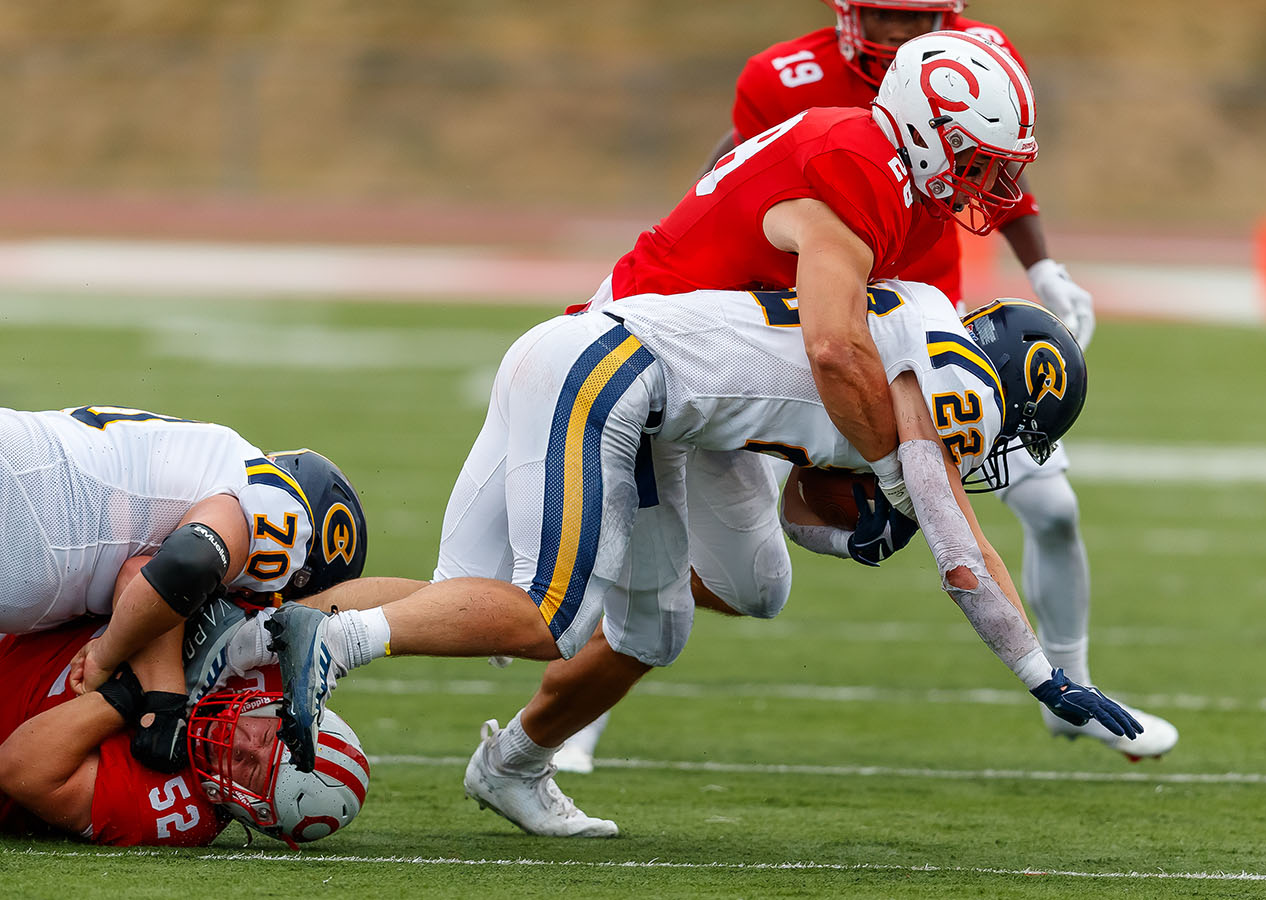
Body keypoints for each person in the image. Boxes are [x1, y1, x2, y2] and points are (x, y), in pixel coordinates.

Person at [266, 280, 1140, 838]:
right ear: (1001, 390)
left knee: (646, 627)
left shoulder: (916, 318)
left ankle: (504, 764)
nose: (991, 452)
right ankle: (332, 642)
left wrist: (852, 531)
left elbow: (784, 490)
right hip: (611, 375)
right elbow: (962, 553)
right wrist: (1040, 671)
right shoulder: (954, 382)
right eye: (1012, 431)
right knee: (548, 615)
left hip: (625, 389)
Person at [554, 0, 1177, 774]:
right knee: (752, 552)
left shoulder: (975, 64)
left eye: (916, 19)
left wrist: (1041, 263)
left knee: (1044, 503)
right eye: (882, 17)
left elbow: (1000, 166)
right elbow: (740, 168)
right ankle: (580, 713)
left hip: (931, 317)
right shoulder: (788, 77)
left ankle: (1072, 690)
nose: (898, 35)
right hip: (809, 323)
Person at [0, 405, 366, 771]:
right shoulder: (282, 512)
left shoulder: (209, 459)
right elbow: (188, 563)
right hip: (29, 520)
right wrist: (105, 656)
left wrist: (164, 696)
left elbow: (141, 573)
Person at [0, 594, 367, 848]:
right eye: (269, 737)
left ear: (252, 813)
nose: (243, 745)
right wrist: (166, 685)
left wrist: (134, 694)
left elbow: (20, 768)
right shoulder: (269, 672)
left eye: (253, 772)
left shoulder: (177, 811)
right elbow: (156, 575)